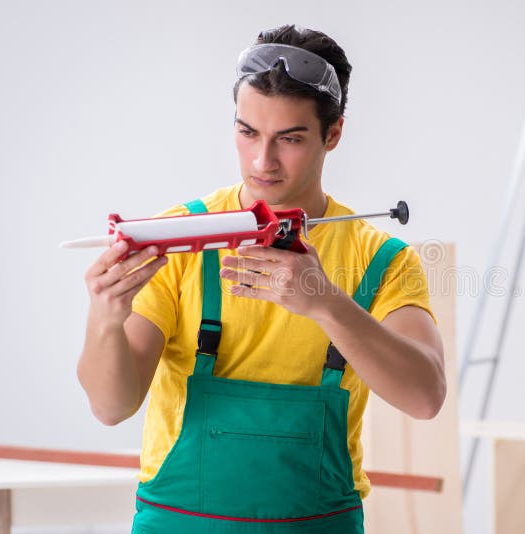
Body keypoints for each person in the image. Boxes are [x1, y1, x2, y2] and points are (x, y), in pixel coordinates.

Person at [77, 24, 446, 533]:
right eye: (248, 132)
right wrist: (104, 319)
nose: (262, 161)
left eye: (289, 139)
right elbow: (110, 407)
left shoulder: (381, 259)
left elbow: (425, 398)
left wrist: (326, 303)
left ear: (333, 134)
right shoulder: (179, 241)